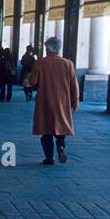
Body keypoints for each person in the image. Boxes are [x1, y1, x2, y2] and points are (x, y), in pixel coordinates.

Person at [28, 37, 79, 165]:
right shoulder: (68, 64)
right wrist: (75, 102)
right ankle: (61, 147)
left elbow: (32, 81)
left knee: (46, 132)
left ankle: (49, 158)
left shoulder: (40, 63)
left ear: (47, 49)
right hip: (63, 103)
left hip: (45, 102)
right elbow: (74, 86)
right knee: (61, 129)